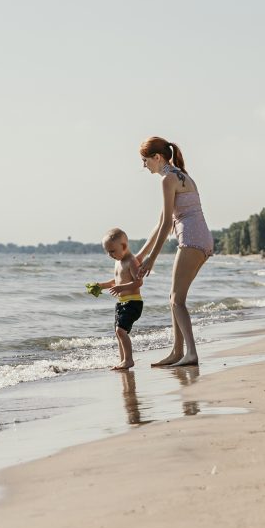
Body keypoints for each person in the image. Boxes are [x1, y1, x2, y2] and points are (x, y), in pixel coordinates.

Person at [135, 137, 213, 367]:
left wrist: (151, 259)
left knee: (177, 300)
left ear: (157, 158)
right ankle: (177, 351)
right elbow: (162, 222)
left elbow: (167, 225)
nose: (143, 165)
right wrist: (141, 255)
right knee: (174, 298)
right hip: (203, 240)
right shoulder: (183, 175)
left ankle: (191, 353)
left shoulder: (168, 180)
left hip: (191, 240)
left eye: (145, 160)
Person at [90, 228, 144, 370]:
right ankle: (123, 360)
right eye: (107, 251)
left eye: (112, 251)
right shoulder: (118, 261)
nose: (110, 255)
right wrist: (102, 285)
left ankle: (129, 360)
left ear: (124, 246)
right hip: (121, 303)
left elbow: (139, 282)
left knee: (121, 331)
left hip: (133, 302)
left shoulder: (131, 261)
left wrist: (121, 288)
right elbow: (116, 280)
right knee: (118, 332)